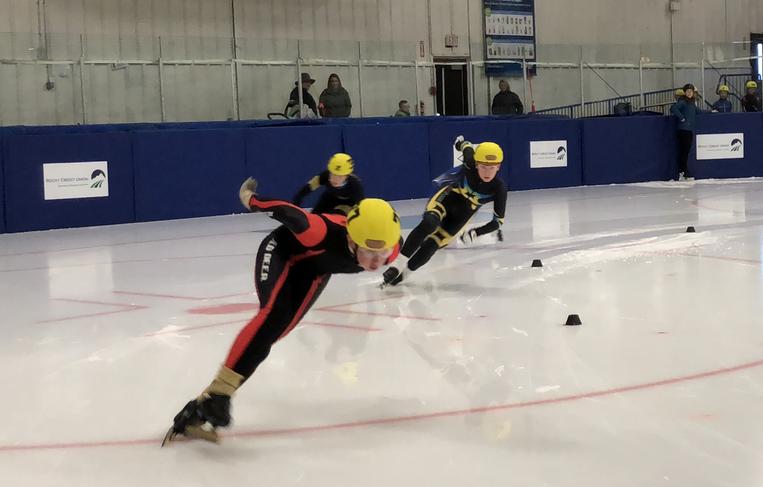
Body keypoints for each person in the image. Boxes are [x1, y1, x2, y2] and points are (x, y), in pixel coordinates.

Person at [163, 183, 401, 444]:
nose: (377, 261)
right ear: (350, 239)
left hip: (314, 271)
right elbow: (287, 212)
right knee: (273, 316)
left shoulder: (390, 243)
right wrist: (251, 199)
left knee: (272, 336)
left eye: (383, 253)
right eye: (369, 252)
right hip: (281, 252)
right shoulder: (319, 231)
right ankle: (220, 394)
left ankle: (207, 401)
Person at [382, 139, 507, 287]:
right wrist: (459, 142)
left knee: (433, 244)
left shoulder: (499, 188)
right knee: (429, 223)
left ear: (498, 167)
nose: (487, 172)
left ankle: (403, 275)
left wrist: (477, 232)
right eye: (483, 167)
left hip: (462, 215)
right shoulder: (469, 161)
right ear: (476, 163)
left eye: (492, 168)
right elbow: (465, 146)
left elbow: (498, 221)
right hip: (447, 198)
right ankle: (396, 266)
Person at [292, 152, 365, 216]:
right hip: (329, 197)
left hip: (348, 203)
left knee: (336, 217)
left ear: (347, 175)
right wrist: (297, 201)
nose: (334, 179)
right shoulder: (325, 175)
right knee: (315, 217)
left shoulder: (355, 185)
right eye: (332, 174)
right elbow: (308, 188)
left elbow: (361, 207)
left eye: (339, 176)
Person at [670, 83, 700, 180]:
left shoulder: (692, 102)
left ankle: (684, 171)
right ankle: (682, 172)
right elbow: (673, 108)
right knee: (683, 152)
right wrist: (681, 117)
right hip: (683, 130)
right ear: (685, 92)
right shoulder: (683, 102)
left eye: (691, 91)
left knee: (686, 152)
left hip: (689, 130)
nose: (690, 93)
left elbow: (698, 111)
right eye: (688, 91)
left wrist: (711, 111)